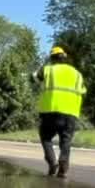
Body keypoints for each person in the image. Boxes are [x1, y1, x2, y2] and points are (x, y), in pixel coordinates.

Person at [34, 46, 86, 178]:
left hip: (50, 110)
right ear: (65, 58)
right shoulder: (77, 74)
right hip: (70, 112)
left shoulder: (48, 69)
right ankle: (63, 166)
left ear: (52, 58)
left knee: (46, 137)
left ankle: (52, 162)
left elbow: (33, 78)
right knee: (66, 140)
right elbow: (83, 91)